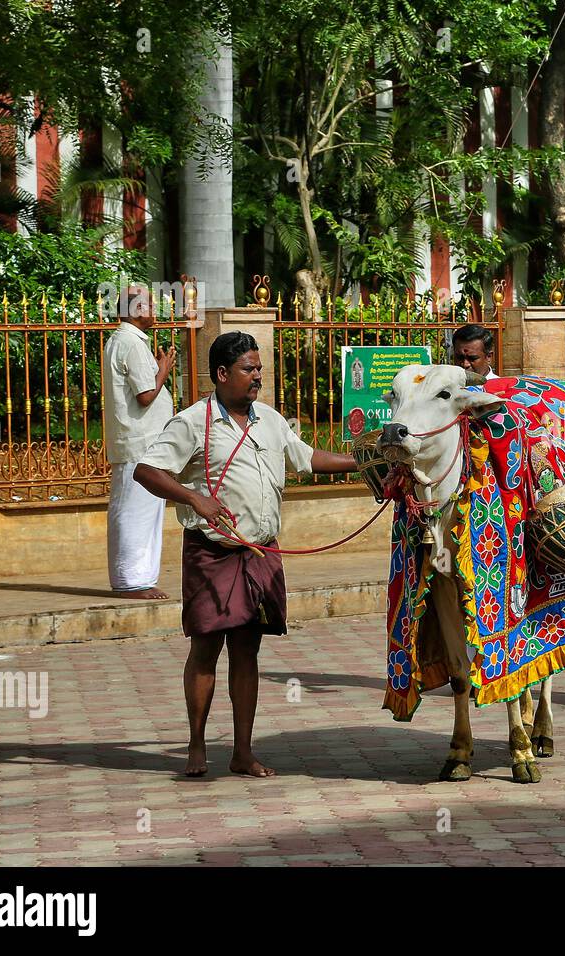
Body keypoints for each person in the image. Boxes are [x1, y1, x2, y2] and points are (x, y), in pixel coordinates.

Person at [134, 332, 356, 778]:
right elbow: (146, 470)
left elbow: (308, 458)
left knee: (247, 651)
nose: (257, 376)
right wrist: (195, 499)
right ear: (221, 374)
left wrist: (365, 461)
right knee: (205, 648)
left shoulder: (270, 420)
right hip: (213, 553)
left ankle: (242, 751)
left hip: (261, 554)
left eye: (258, 368)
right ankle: (196, 745)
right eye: (248, 369)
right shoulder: (193, 422)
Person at [102, 284, 176, 600]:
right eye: (148, 305)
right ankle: (131, 580)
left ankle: (137, 578)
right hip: (139, 444)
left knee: (138, 510)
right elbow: (146, 395)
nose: (154, 310)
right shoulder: (130, 343)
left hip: (138, 442)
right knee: (136, 512)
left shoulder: (121, 341)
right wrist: (164, 369)